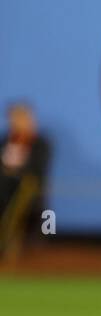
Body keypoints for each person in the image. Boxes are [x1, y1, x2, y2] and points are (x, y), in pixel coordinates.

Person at [0, 102, 52, 258]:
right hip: (5, 190)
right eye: (15, 118)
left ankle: (9, 240)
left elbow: (38, 168)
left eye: (22, 117)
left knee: (24, 190)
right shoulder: (4, 142)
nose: (18, 122)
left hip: (28, 190)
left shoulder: (40, 143)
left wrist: (15, 171)